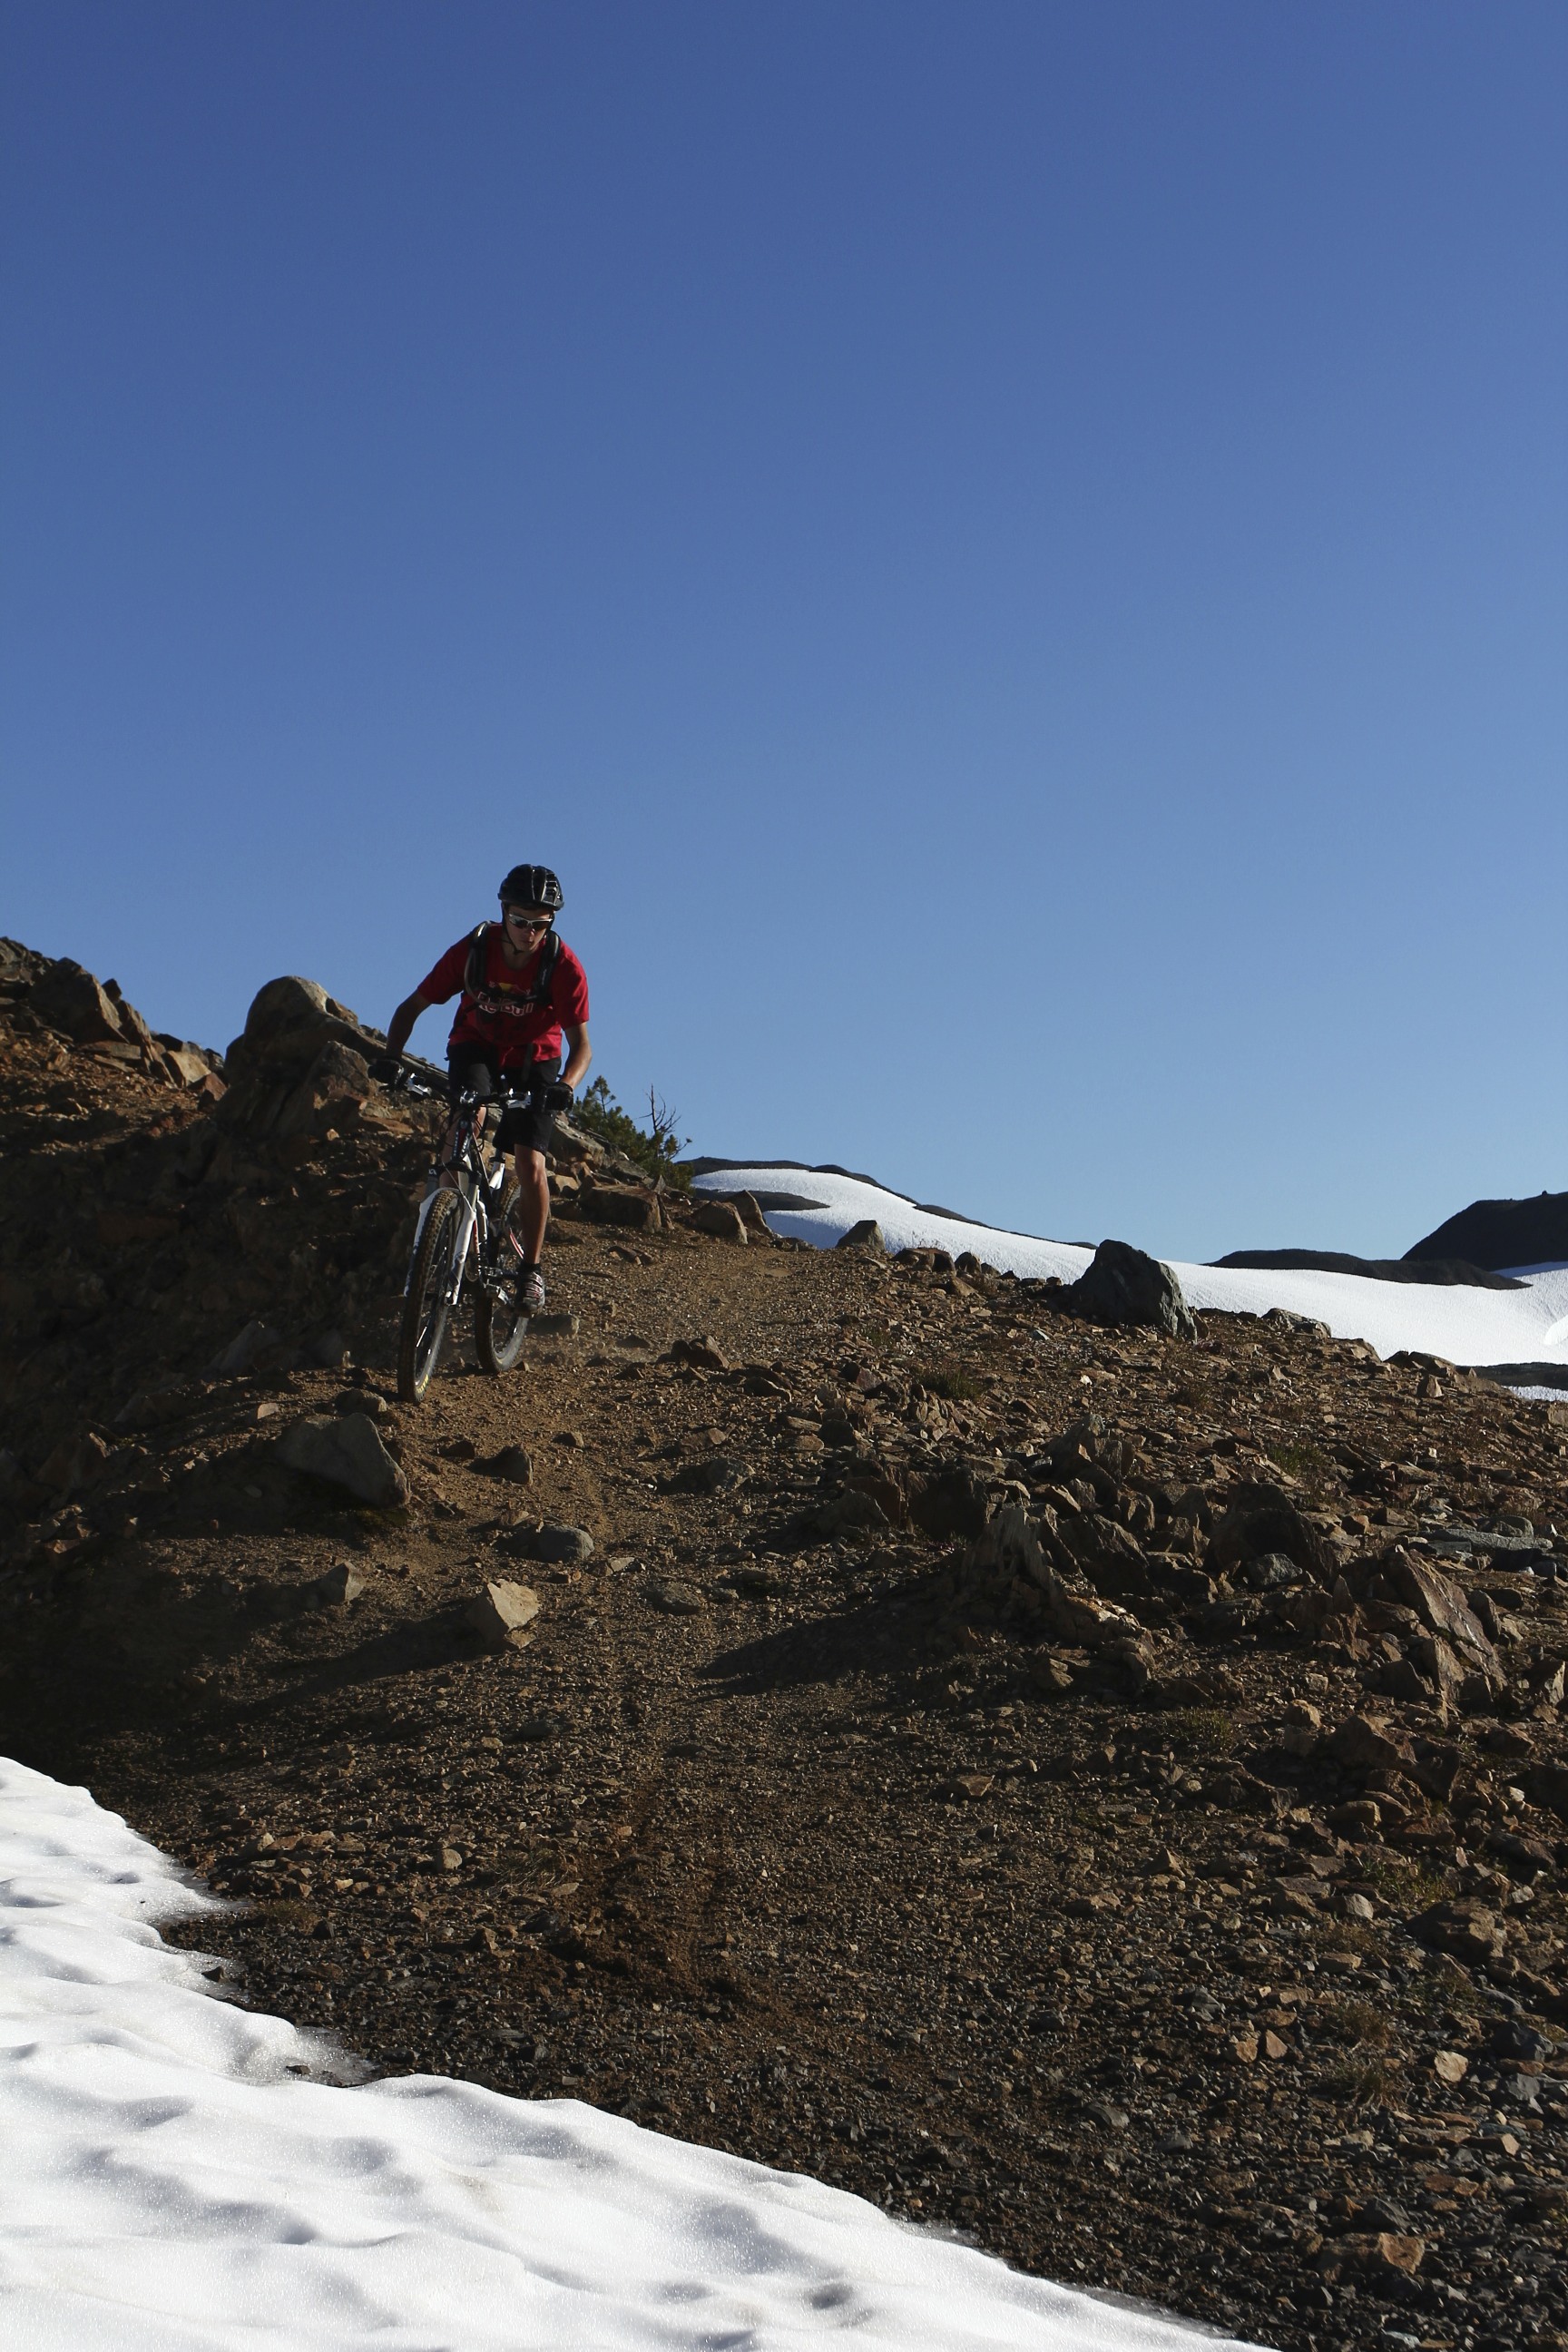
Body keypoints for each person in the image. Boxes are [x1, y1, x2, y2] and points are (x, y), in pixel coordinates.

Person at [382, 864, 591, 1315]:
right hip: (476, 1046)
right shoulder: (473, 950)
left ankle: (531, 1271)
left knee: (529, 1159)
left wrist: (565, 1086)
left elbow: (583, 1047)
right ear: (503, 913)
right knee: (464, 1121)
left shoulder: (563, 966)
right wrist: (389, 1057)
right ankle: (442, 1228)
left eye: (541, 923)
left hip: (536, 1057)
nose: (529, 932)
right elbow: (411, 1006)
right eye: (520, 921)